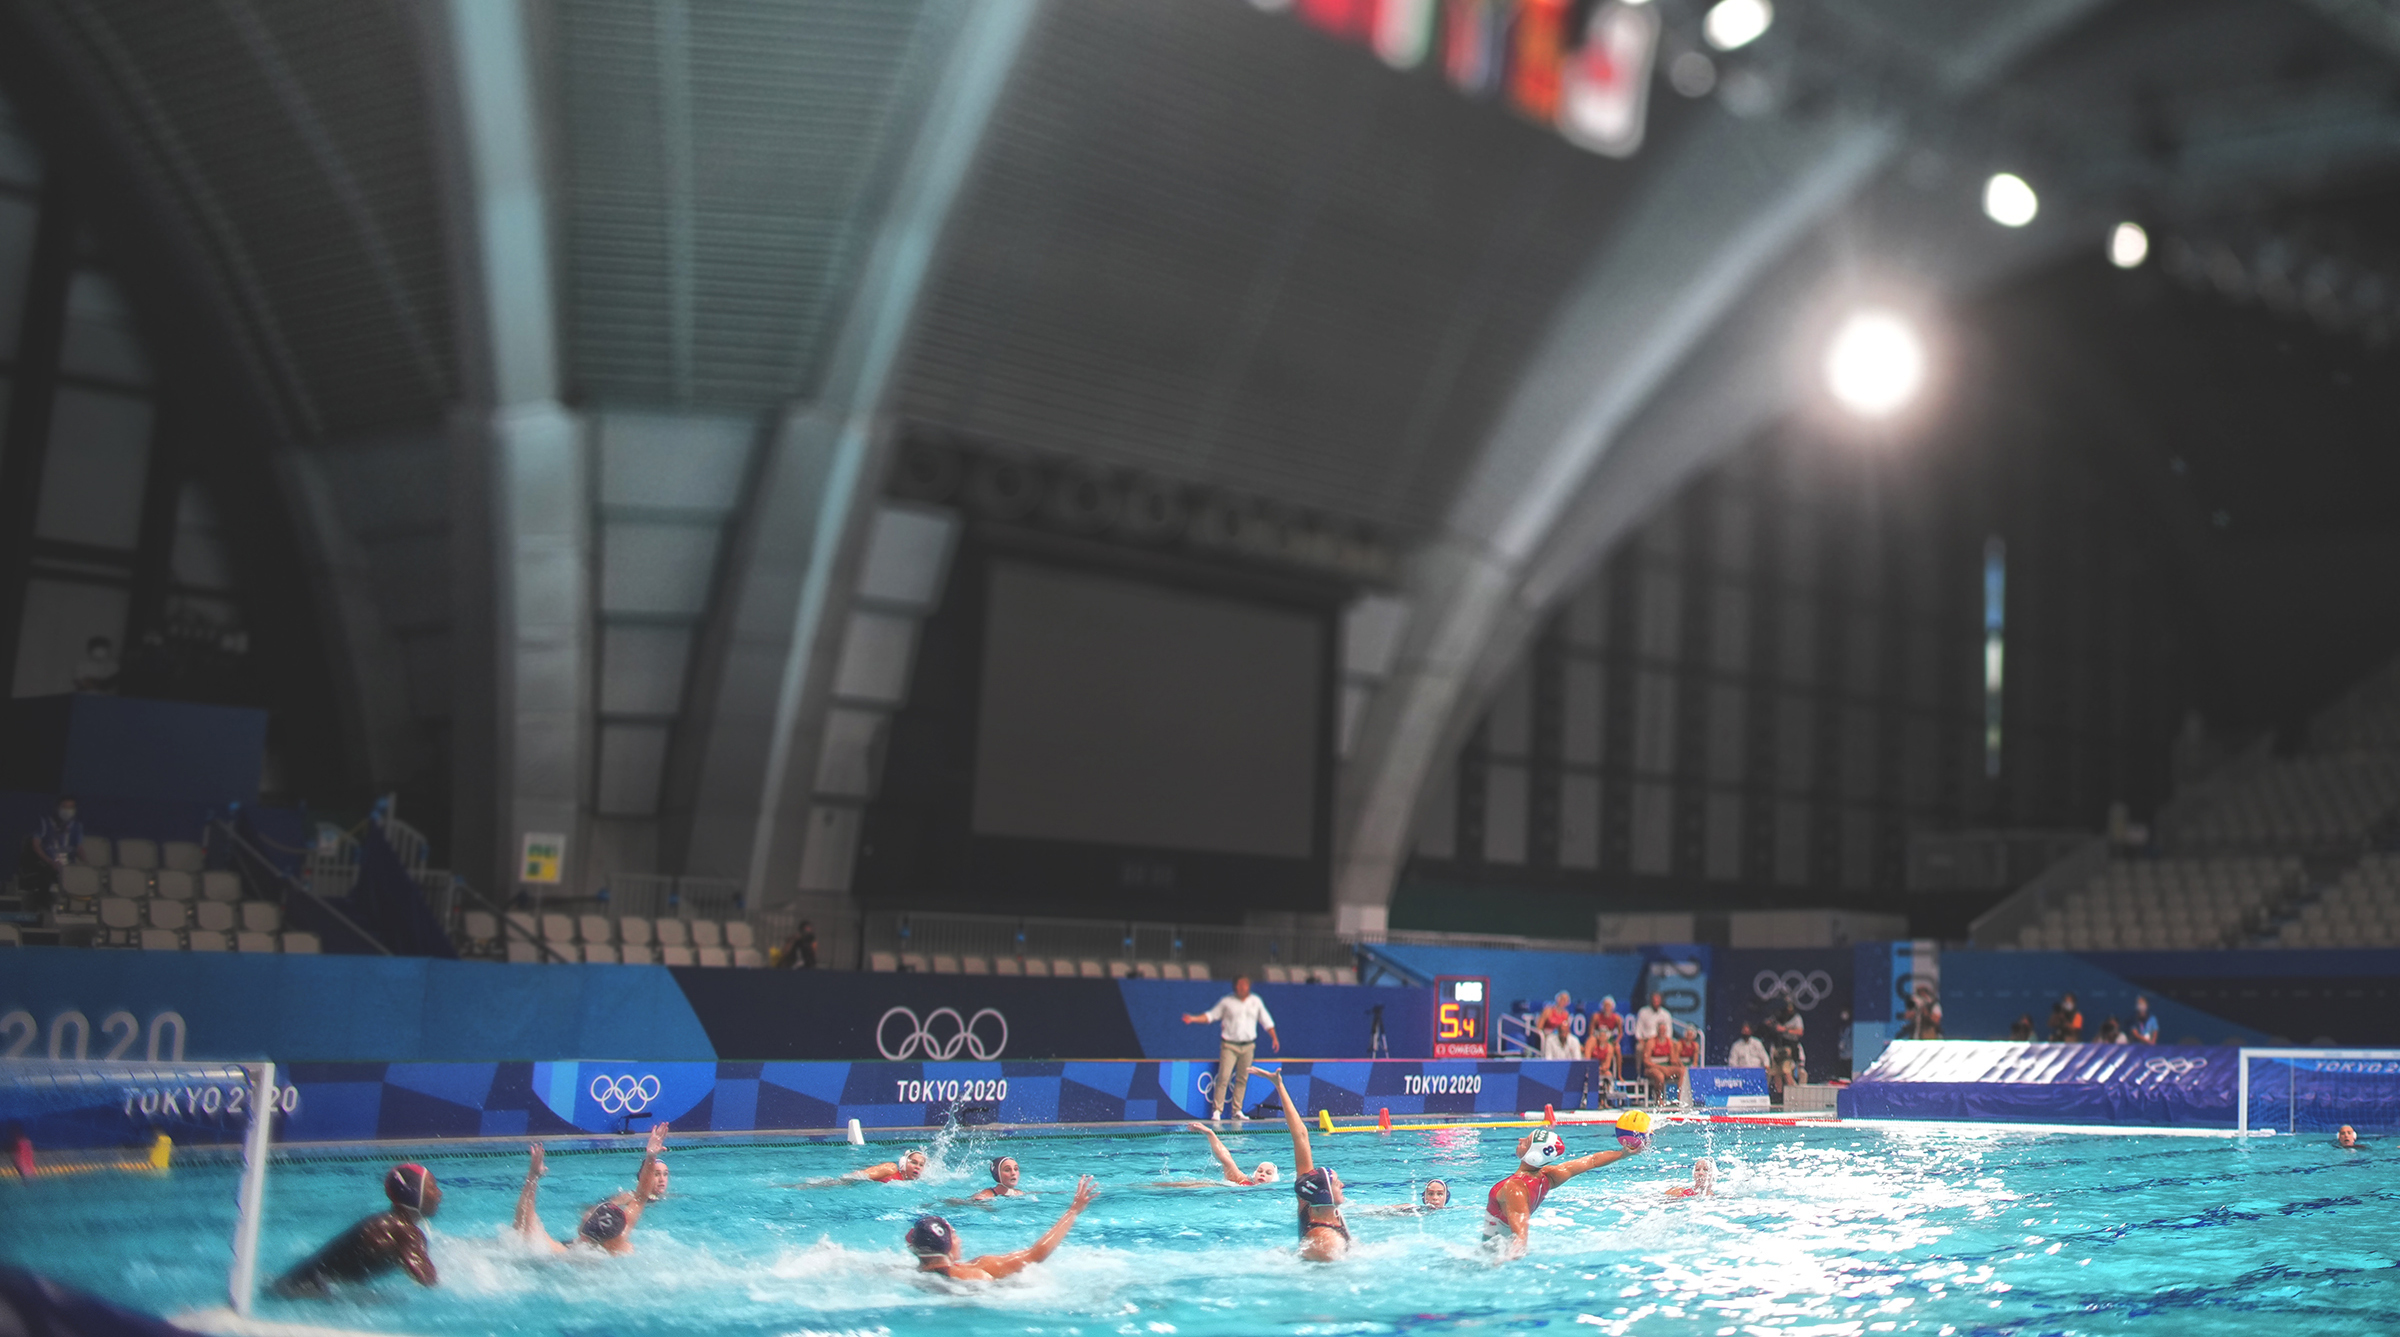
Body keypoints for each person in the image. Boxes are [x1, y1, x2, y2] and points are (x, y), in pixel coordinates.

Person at [1484, 1116, 1650, 1259]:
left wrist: (1504, 1261)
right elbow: (1591, 1161)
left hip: (1493, 1256)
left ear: (1533, 1156)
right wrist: (1623, 1154)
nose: (1520, 1140)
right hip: (1500, 1250)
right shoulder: (1547, 1178)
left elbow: (1520, 1237)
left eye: (1526, 1142)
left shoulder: (1515, 1189)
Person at [270, 1163, 441, 1295]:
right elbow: (429, 1282)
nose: (439, 1194)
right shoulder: (406, 1233)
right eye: (432, 1188)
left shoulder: (386, 1222)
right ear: (413, 1193)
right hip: (305, 1292)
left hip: (291, 1284)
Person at [512, 1123, 670, 1256]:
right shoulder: (619, 1241)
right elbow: (641, 1196)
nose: (585, 1215)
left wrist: (533, 1177)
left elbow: (524, 1222)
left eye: (589, 1216)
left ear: (585, 1236)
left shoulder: (567, 1254)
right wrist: (651, 1157)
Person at [905, 1175, 1098, 1281]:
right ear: (945, 1244)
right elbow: (1036, 1255)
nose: (960, 1239)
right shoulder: (980, 1269)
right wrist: (1073, 1211)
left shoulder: (916, 1276)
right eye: (954, 1236)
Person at [1264, 1069, 1348, 1261]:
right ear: (1325, 1194)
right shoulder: (1325, 1242)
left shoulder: (1308, 1202)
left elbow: (1301, 1135)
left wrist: (1279, 1086)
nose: (1342, 1185)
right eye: (1336, 1183)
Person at [1181, 976, 1279, 1121]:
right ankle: (1217, 1111)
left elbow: (1266, 1021)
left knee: (1242, 1078)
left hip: (1248, 1046)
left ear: (1249, 986)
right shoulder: (1227, 1002)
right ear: (1235, 986)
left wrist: (1274, 1037)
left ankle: (1237, 1111)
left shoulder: (1256, 1001)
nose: (1242, 987)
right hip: (1229, 1046)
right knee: (1224, 1077)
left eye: (1245, 984)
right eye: (1239, 984)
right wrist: (1193, 1018)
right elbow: (1210, 1016)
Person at [17, 797, 80, 913]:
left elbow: (78, 850)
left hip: (65, 866)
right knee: (47, 873)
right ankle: (43, 906)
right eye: (65, 807)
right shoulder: (44, 824)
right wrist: (51, 862)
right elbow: (36, 845)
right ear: (57, 808)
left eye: (71, 807)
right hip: (45, 865)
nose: (68, 811)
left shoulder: (73, 828)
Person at [1173, 1121, 1279, 1186]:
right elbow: (1226, 1159)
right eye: (1260, 1171)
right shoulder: (1243, 1181)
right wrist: (1210, 1133)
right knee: (1195, 1185)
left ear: (1274, 1179)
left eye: (1268, 1173)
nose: (1262, 1174)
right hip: (1218, 1189)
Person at [1767, 1001, 1806, 1098]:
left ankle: (1793, 1096)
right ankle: (1779, 1095)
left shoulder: (1796, 1018)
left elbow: (1800, 1032)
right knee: (1776, 1072)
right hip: (1778, 1046)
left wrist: (1784, 1029)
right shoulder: (1778, 1016)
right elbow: (1767, 1024)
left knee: (1786, 1071)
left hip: (1789, 1047)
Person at [1641, 1029, 1686, 1105]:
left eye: (1663, 1031)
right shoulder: (1651, 1042)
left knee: (1682, 1071)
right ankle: (1659, 1098)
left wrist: (1680, 1064)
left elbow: (1672, 1059)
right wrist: (1660, 1068)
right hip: (1652, 1067)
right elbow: (1646, 1061)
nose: (1662, 1033)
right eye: (1661, 1030)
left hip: (1665, 1066)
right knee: (1660, 1076)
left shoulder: (1669, 1042)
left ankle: (1680, 1098)